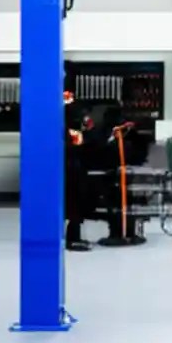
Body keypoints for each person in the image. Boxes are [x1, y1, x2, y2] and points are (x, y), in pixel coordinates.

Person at [64, 91, 92, 252]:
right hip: (72, 170)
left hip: (72, 168)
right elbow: (80, 148)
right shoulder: (73, 133)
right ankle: (73, 239)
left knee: (74, 206)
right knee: (74, 204)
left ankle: (73, 236)